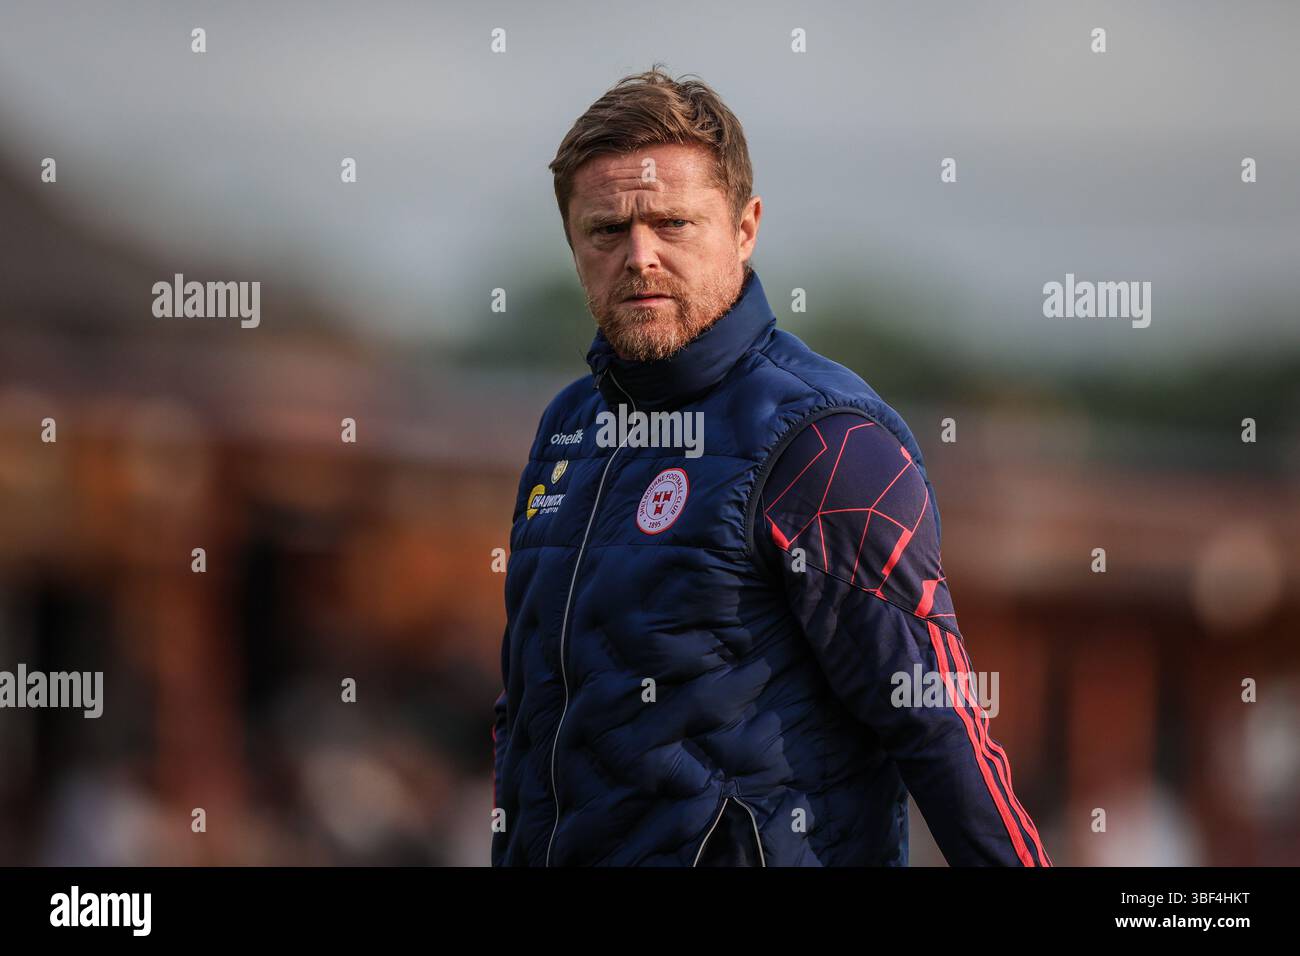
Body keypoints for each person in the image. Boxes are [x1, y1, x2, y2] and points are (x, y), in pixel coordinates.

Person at [491, 66, 1051, 867]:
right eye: (607, 230)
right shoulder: (567, 431)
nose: (639, 256)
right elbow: (527, 721)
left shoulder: (823, 440)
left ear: (746, 227)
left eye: (673, 224)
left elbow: (936, 721)